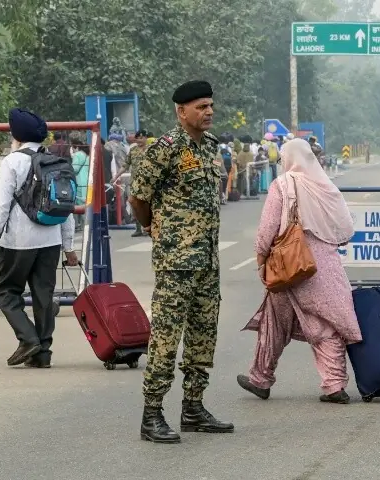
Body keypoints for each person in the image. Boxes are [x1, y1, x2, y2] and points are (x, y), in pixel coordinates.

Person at [129, 80, 233, 444]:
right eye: (201, 107)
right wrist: (154, 228)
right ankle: (152, 413)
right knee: (166, 337)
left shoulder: (210, 147)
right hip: (176, 261)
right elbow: (138, 197)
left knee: (204, 334)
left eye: (210, 106)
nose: (209, 112)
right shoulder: (165, 148)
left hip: (207, 259)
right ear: (181, 111)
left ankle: (193, 406)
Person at [237, 138, 363, 404]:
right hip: (324, 270)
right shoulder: (326, 187)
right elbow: (345, 230)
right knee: (327, 325)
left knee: (273, 322)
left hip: (289, 266)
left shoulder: (283, 185)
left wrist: (262, 259)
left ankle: (260, 378)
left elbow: (267, 229)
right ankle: (335, 385)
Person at [0, 108, 78, 368]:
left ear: (16, 135)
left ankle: (28, 338)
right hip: (51, 239)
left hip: (18, 241)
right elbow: (66, 208)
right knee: (44, 294)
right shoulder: (55, 161)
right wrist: (69, 246)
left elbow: (0, 205)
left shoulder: (12, 161)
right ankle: (43, 353)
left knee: (5, 291)